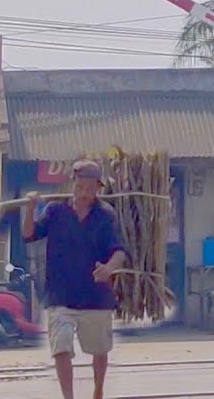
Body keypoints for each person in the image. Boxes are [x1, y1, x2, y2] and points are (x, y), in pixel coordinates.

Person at [23, 160, 129, 399]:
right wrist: (30, 208)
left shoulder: (105, 215)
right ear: (73, 184)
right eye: (80, 187)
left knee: (99, 350)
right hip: (60, 294)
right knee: (60, 348)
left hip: (95, 295)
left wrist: (109, 268)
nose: (84, 194)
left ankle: (98, 390)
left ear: (98, 189)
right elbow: (29, 234)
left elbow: (119, 251)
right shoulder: (54, 210)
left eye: (90, 190)